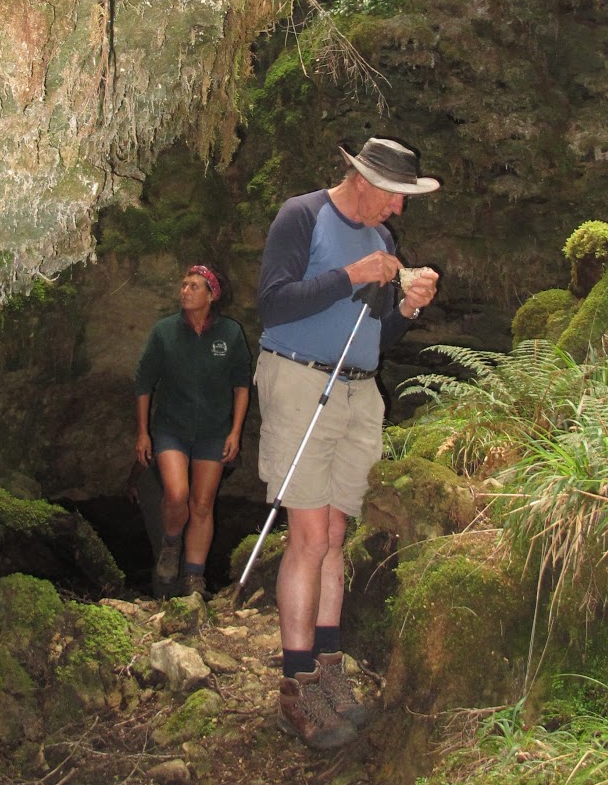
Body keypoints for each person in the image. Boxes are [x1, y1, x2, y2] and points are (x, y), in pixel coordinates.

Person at [256, 137, 440, 750]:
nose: (398, 211)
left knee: (335, 537)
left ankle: (329, 673)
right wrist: (349, 276)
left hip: (358, 392)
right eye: (393, 195)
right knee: (308, 538)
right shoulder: (302, 216)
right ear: (359, 178)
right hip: (300, 382)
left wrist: (407, 309)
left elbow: (373, 333)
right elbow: (274, 306)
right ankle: (296, 684)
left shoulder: (384, 241)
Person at [134, 264, 252, 597]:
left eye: (194, 286)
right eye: (183, 285)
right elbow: (143, 383)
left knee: (202, 504)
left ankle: (194, 578)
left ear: (212, 295)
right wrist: (143, 432)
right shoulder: (164, 331)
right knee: (176, 494)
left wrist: (235, 432)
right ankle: (171, 543)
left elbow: (241, 384)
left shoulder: (230, 333)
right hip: (172, 429)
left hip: (214, 432)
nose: (185, 290)